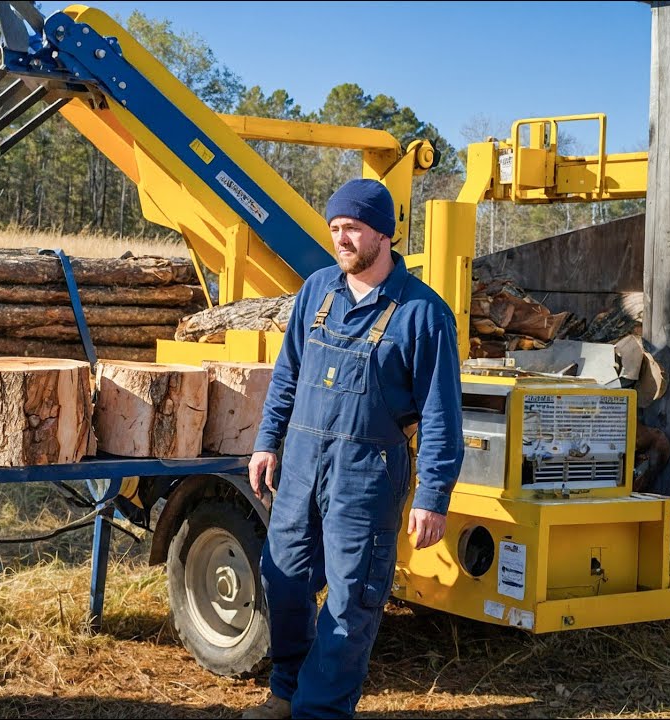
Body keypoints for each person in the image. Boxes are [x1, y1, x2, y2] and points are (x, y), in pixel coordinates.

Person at [242, 178, 464, 719]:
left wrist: (433, 495)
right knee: (283, 575)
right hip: (299, 466)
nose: (341, 239)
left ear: (383, 235)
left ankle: (320, 712)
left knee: (352, 599)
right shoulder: (317, 290)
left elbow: (441, 414)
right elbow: (288, 374)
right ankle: (287, 690)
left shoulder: (423, 314)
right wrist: (267, 441)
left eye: (353, 229)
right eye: (336, 228)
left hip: (367, 475)